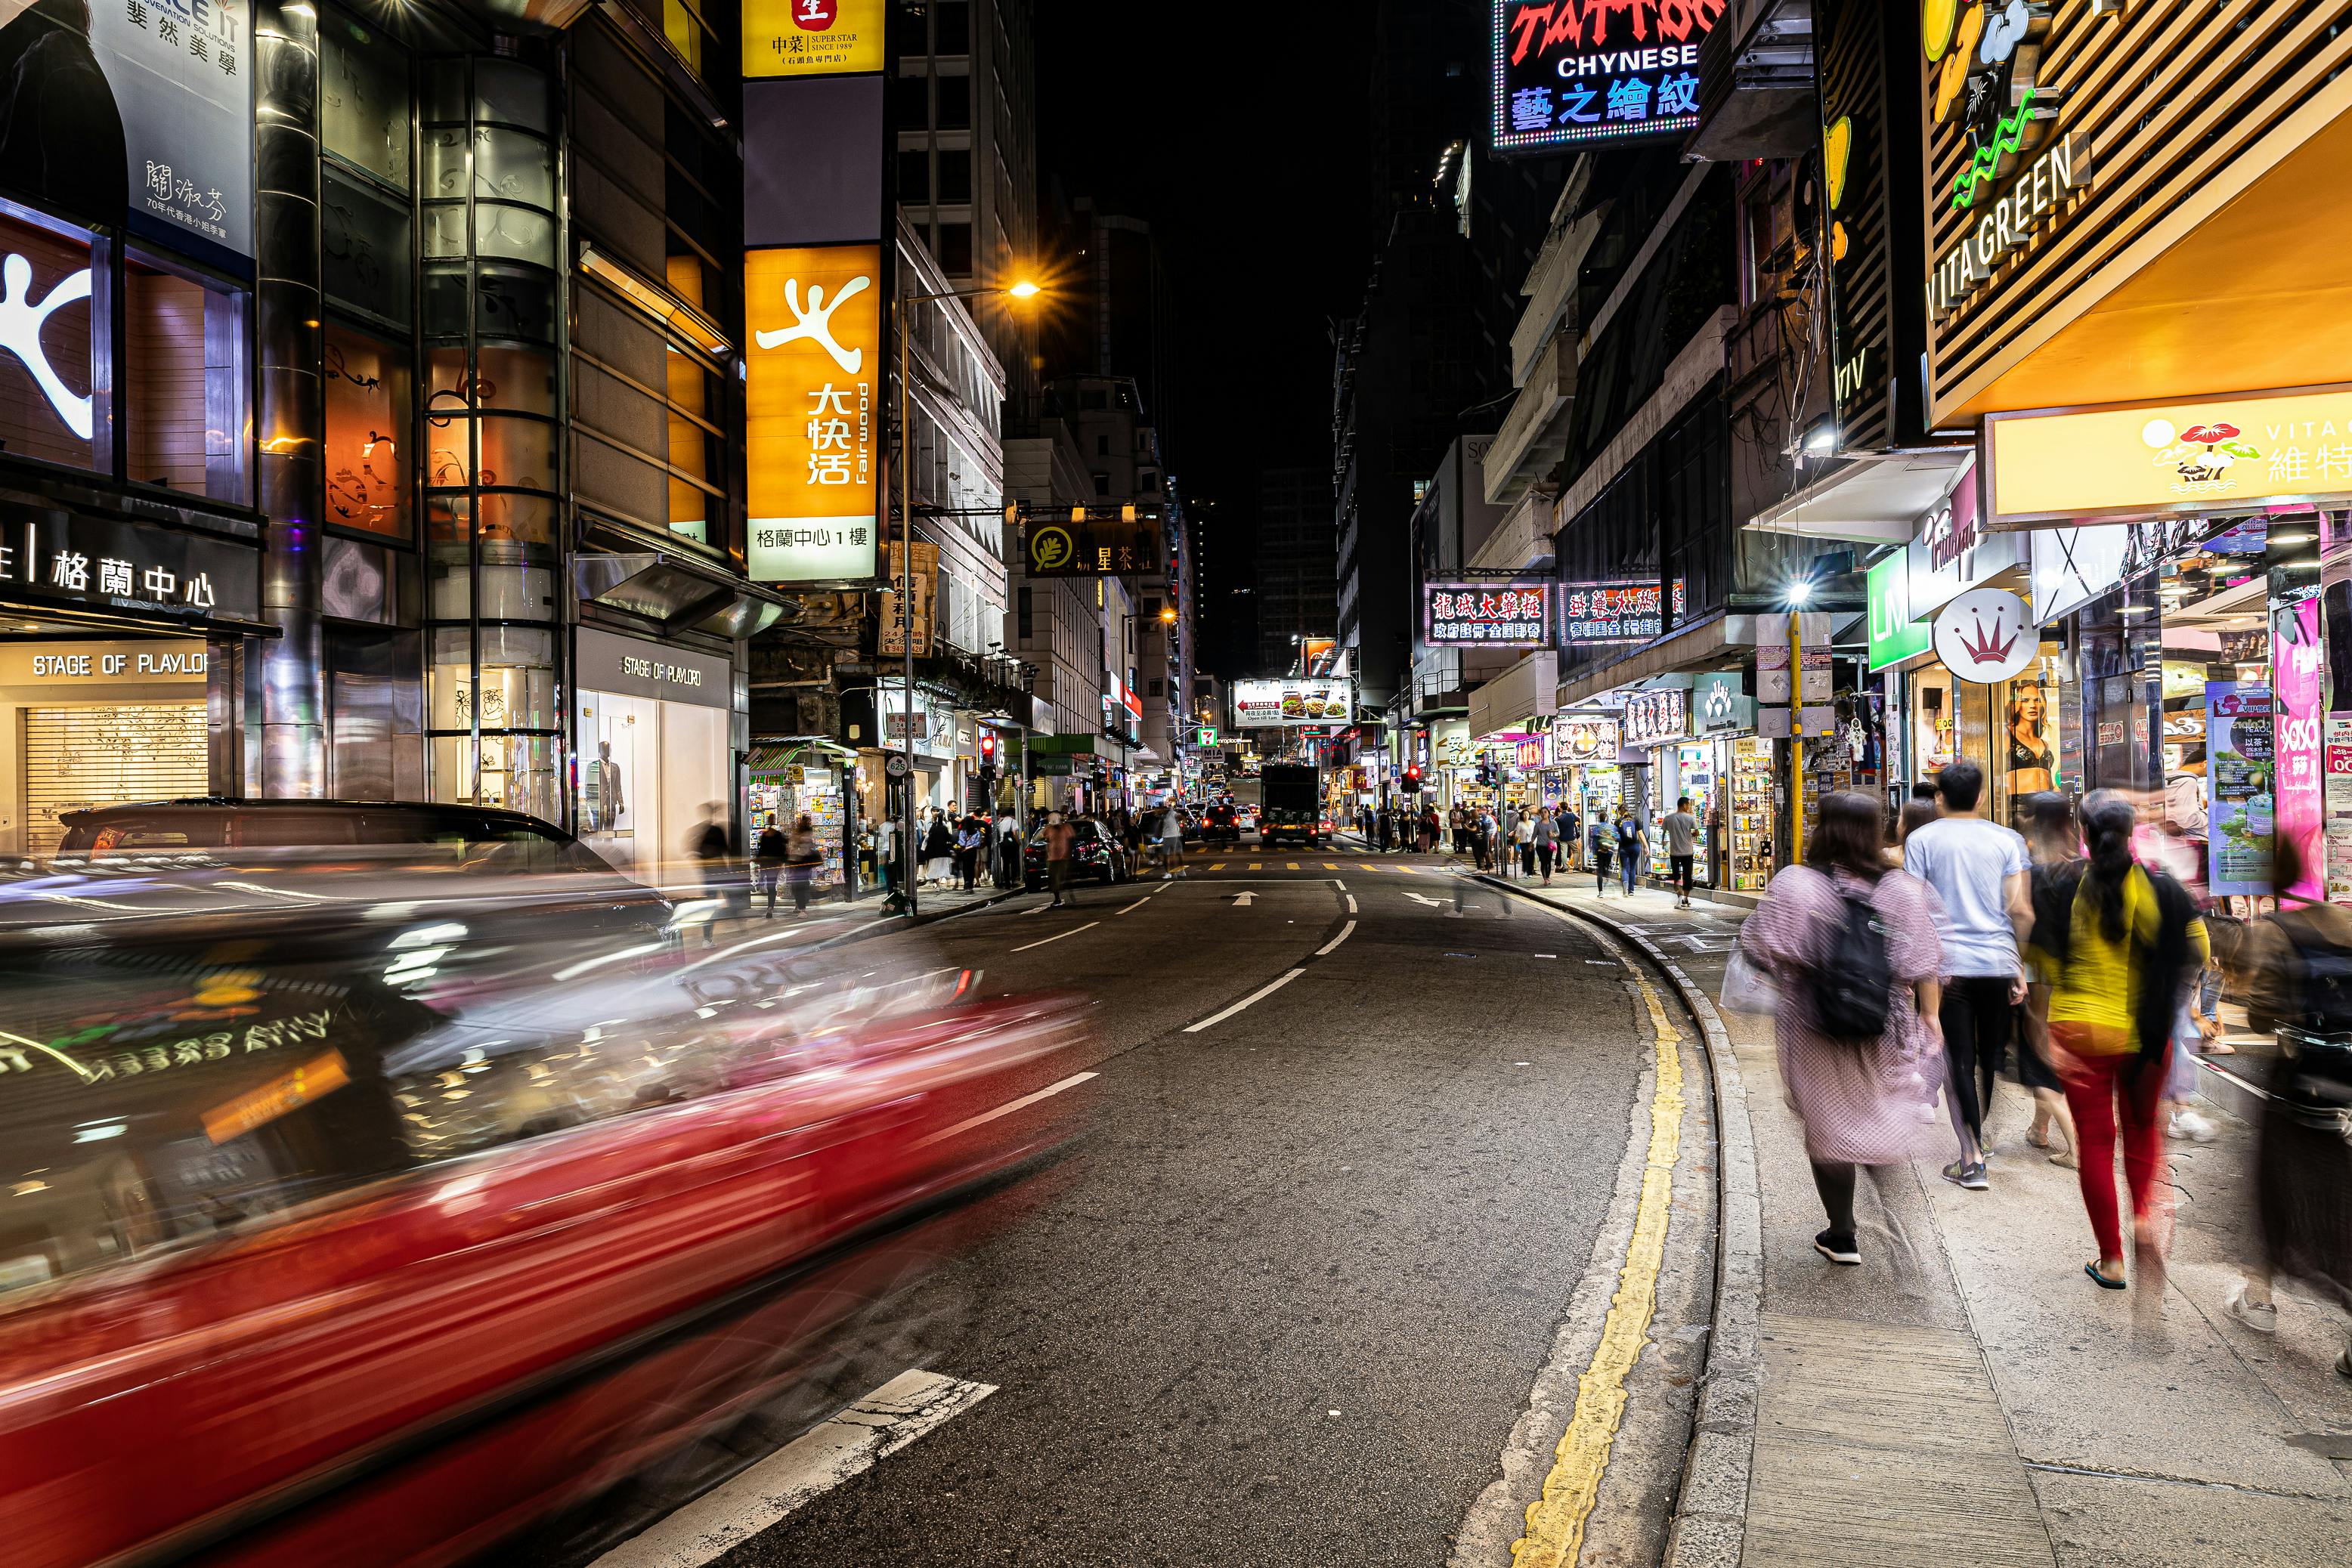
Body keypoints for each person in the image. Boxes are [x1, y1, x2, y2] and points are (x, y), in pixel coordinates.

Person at [1738, 792, 1946, 1266]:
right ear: (1878, 831)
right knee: (1879, 1109)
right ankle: (1899, 1219)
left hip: (1814, 1027)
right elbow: (1924, 960)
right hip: (1883, 1024)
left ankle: (1843, 1232)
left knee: (1828, 1120)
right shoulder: (1901, 889)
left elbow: (1760, 944)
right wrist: (1930, 1016)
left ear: (1822, 828)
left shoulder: (1798, 884)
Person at [2028, 790, 2207, 1293]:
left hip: (2079, 1033)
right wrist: (2174, 1005)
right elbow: (2198, 950)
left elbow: (2040, 967)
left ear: (2083, 834)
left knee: (2097, 1145)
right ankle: (2146, 1218)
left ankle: (2111, 1259)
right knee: (2143, 1137)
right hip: (2145, 1038)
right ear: (2131, 835)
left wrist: (2042, 1035)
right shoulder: (2162, 891)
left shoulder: (2062, 887)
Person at [2226, 836, 2352, 1375]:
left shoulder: (2276, 931)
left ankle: (2261, 1297)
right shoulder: (2346, 923)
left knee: (2276, 1185)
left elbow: (2260, 1015)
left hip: (2301, 1084)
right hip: (2347, 1075)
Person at [1902, 759, 2031, 1190]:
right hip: (1997, 964)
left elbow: (1915, 912)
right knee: (1988, 1056)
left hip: (1946, 968)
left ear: (1939, 798)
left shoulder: (1921, 840)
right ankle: (1980, 1143)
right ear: (1980, 797)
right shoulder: (2005, 841)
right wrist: (2018, 963)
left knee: (1958, 1057)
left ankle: (1971, 1156)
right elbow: (2020, 910)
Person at [2017, 793, 2081, 1170]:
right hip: (2075, 970)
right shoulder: (2080, 869)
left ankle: (2073, 1144)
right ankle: (2039, 1127)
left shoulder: (2035, 870)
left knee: (2040, 1048)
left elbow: (2024, 923)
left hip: (2039, 969)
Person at [690, 804, 732, 945]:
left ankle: (706, 938)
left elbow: (695, 851)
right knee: (729, 899)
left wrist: (702, 867)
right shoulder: (717, 830)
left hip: (708, 874)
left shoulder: (701, 831)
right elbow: (726, 850)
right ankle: (737, 924)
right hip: (720, 872)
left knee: (709, 904)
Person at [2007, 679, 2056, 796]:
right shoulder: (2007, 734)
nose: (2032, 705)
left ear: (2043, 705)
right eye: (2025, 700)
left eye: (2037, 700)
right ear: (2017, 704)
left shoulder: (2044, 743)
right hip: (2018, 806)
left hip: (2046, 805)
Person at [1664, 796, 1699, 908]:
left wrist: (1663, 843)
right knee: (1687, 877)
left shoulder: (1668, 818)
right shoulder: (1690, 818)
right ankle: (1686, 898)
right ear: (1684, 805)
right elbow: (1697, 832)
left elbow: (1664, 832)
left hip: (1674, 852)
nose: (1689, 807)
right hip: (1687, 852)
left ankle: (1679, 898)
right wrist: (1691, 834)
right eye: (1689, 804)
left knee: (1676, 877)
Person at [785, 813, 821, 912]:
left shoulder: (801, 832)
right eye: (808, 821)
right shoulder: (803, 831)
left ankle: (801, 906)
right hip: (800, 860)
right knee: (800, 883)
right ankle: (800, 905)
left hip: (799, 861)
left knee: (799, 883)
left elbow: (795, 842)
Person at [753, 815, 787, 917]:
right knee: (771, 885)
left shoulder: (767, 835)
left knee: (770, 885)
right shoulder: (776, 835)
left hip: (769, 864)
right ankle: (770, 907)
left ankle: (770, 907)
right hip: (772, 863)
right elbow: (782, 849)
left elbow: (762, 850)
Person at [1044, 811, 1076, 907]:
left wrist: (1069, 854)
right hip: (1052, 858)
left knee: (1063, 876)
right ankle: (1057, 898)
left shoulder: (1066, 828)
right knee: (1053, 879)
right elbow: (1046, 839)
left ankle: (1068, 890)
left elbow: (1071, 841)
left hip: (1064, 857)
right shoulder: (1049, 829)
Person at [921, 808, 953, 887]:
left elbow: (929, 838)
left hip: (934, 849)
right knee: (939, 865)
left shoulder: (935, 827)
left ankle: (938, 880)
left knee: (935, 865)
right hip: (941, 849)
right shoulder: (942, 827)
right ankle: (938, 880)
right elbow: (948, 837)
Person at [954, 812, 985, 892]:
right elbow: (977, 843)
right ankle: (971, 883)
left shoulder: (963, 831)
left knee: (965, 867)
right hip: (973, 851)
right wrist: (970, 847)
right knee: (971, 867)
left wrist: (965, 847)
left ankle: (966, 882)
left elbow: (961, 842)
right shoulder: (976, 832)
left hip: (964, 852)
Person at [1616, 809, 1642, 897]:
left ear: (1620, 811)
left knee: (1624, 868)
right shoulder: (1635, 819)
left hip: (1623, 847)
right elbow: (1641, 834)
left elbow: (1614, 836)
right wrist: (1646, 847)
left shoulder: (1618, 822)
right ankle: (1631, 890)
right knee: (1632, 868)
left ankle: (1625, 887)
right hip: (1635, 846)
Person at [1588, 814, 1613, 895]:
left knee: (1600, 871)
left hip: (1600, 852)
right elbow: (1615, 838)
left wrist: (1595, 851)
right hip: (1609, 852)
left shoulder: (1596, 828)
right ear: (1606, 818)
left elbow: (1594, 842)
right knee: (1606, 867)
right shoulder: (1610, 827)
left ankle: (1600, 891)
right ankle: (1606, 873)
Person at [1532, 807, 1556, 884]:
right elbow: (1534, 835)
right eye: (1542, 812)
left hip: (1550, 845)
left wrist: (1553, 834)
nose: (1543, 814)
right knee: (1543, 861)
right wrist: (1530, 844)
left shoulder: (1553, 823)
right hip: (1540, 846)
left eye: (1545, 812)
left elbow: (1558, 832)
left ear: (1548, 813)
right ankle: (1545, 879)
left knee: (1548, 862)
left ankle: (1548, 877)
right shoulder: (1538, 825)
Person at [1159, 803, 1184, 879]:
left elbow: (1179, 817)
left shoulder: (1172, 813)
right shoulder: (1163, 816)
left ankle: (1173, 872)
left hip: (1171, 837)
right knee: (1169, 855)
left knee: (1171, 855)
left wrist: (1180, 817)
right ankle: (1173, 872)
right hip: (1170, 836)